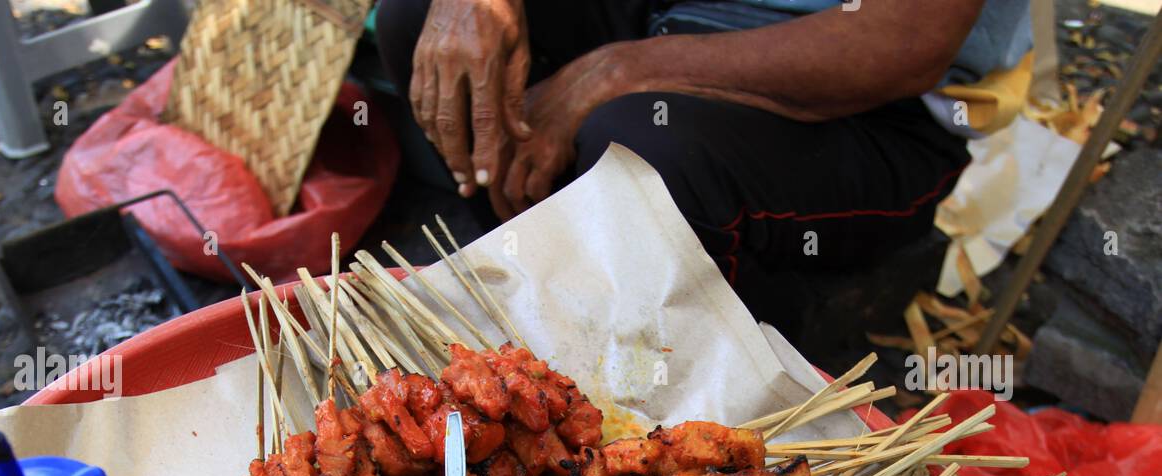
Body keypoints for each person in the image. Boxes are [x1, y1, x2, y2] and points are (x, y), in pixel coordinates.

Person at [374, 0, 1034, 328]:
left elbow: (904, 38)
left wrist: (615, 72)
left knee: (641, 154)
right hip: (663, 16)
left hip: (868, 104)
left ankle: (690, 415)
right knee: (425, 21)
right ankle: (520, 317)